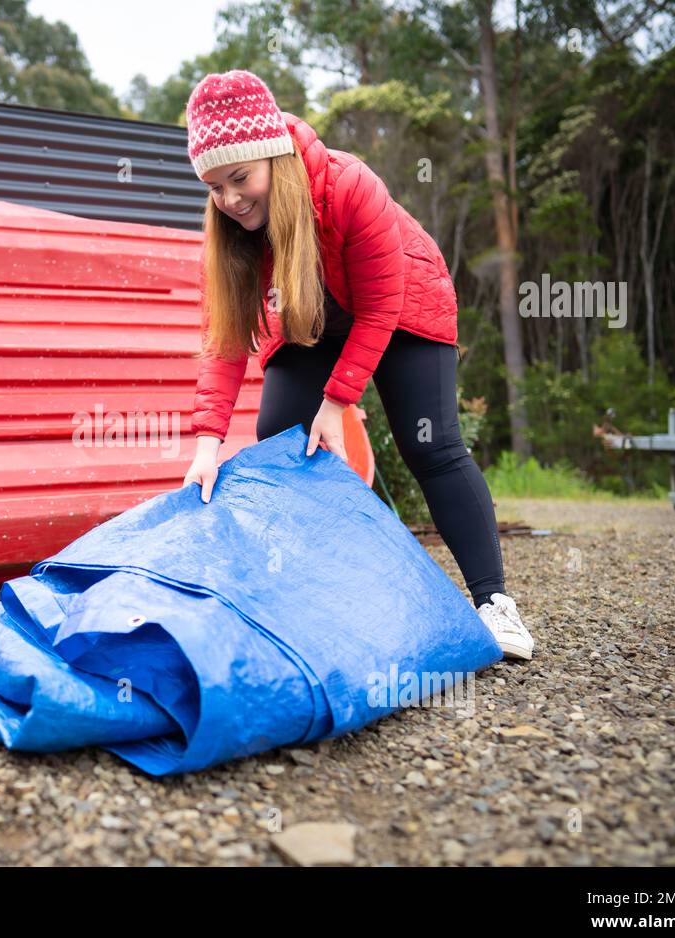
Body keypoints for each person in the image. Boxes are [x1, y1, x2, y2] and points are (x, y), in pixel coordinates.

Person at [179, 69, 534, 660]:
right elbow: (224, 343)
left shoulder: (347, 185)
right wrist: (205, 446)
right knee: (282, 433)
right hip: (313, 316)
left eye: (240, 179)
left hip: (402, 307)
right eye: (214, 187)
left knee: (432, 446)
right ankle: (320, 598)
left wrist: (339, 402)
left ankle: (494, 605)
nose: (230, 200)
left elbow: (379, 308)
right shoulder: (230, 229)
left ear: (272, 156)